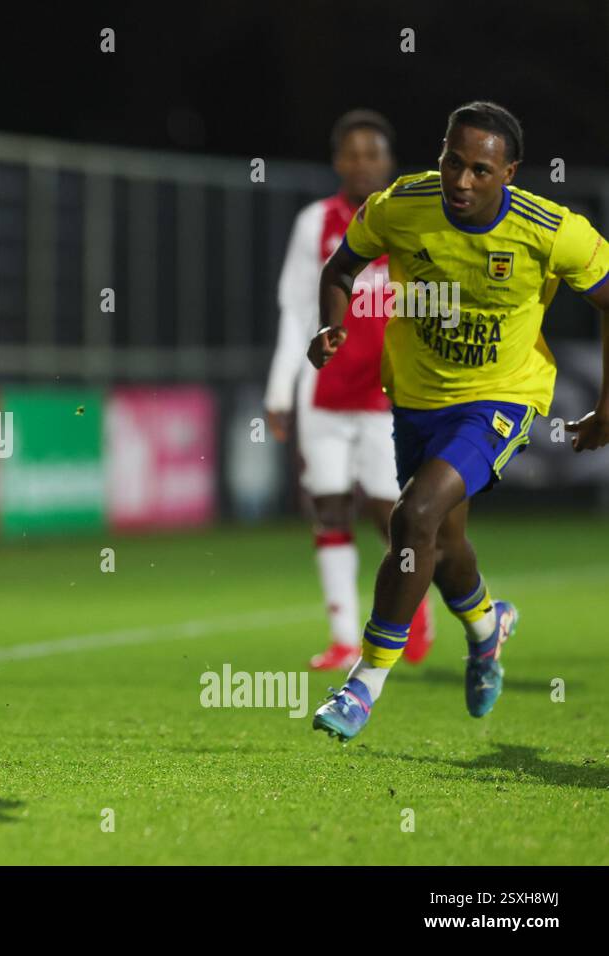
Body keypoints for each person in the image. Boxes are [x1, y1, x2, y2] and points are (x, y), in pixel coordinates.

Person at [310, 102, 609, 741]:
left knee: (411, 516)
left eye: (480, 169)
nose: (461, 181)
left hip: (501, 399)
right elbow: (340, 268)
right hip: (417, 399)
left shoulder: (552, 231)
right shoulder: (399, 206)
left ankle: (363, 685)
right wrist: (330, 324)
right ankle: (486, 626)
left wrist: (608, 405)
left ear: (510, 173)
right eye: (452, 161)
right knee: (441, 547)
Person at [266, 110, 434, 671]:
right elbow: (294, 311)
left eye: (373, 154)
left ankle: (410, 614)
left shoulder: (413, 222)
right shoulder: (317, 222)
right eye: (352, 154)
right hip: (324, 394)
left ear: (390, 162)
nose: (362, 163)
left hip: (391, 396)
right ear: (338, 161)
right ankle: (343, 635)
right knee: (331, 506)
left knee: (394, 514)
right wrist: (281, 389)